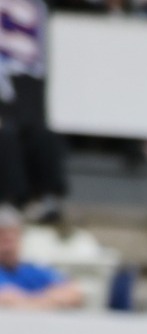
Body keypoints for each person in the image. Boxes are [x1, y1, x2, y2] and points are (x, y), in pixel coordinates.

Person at [0, 0, 67, 222]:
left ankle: (46, 198)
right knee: (6, 135)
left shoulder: (28, 71)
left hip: (18, 102)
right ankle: (11, 201)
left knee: (43, 135)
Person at [0, 205, 81, 310]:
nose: (9, 246)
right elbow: (5, 298)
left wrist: (29, 302)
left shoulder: (32, 269)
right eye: (3, 239)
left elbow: (73, 292)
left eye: (13, 238)